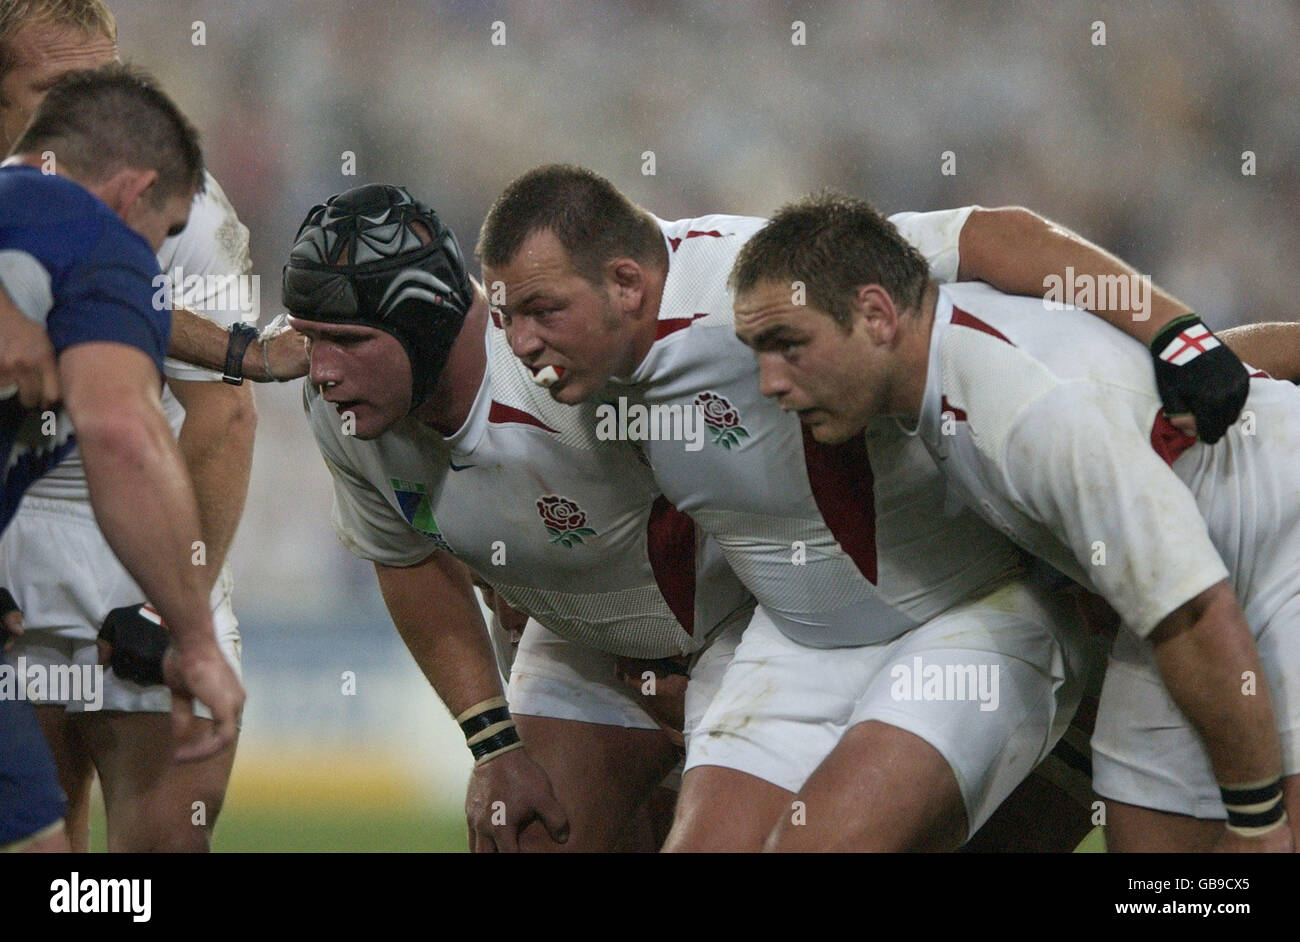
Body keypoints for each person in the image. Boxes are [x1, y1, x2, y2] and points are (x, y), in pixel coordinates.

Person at [476, 164, 1268, 851]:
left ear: (625, 282)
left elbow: (995, 234)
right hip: (800, 640)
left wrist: (1179, 333)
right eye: (509, 317)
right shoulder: (574, 378)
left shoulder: (754, 286)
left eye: (544, 312)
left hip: (963, 616)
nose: (522, 343)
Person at [726, 190, 1298, 852]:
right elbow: (1004, 231)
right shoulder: (889, 268)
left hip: (1274, 546)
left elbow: (1197, 615)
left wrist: (1259, 825)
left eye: (786, 345)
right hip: (1187, 584)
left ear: (875, 316)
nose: (767, 382)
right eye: (755, 351)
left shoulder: (1027, 413)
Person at [283, 184, 756, 852]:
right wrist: (493, 747)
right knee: (524, 831)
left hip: (747, 620)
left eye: (346, 340)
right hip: (592, 637)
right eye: (309, 341)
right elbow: (406, 558)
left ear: (423, 325)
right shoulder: (341, 413)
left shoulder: (573, 361)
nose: (321, 371)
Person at [0, 0, 263, 852]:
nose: (81, 115)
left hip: (142, 524)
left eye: (100, 84)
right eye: (51, 89)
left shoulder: (171, 195)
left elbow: (218, 414)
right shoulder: (106, 208)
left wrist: (169, 603)